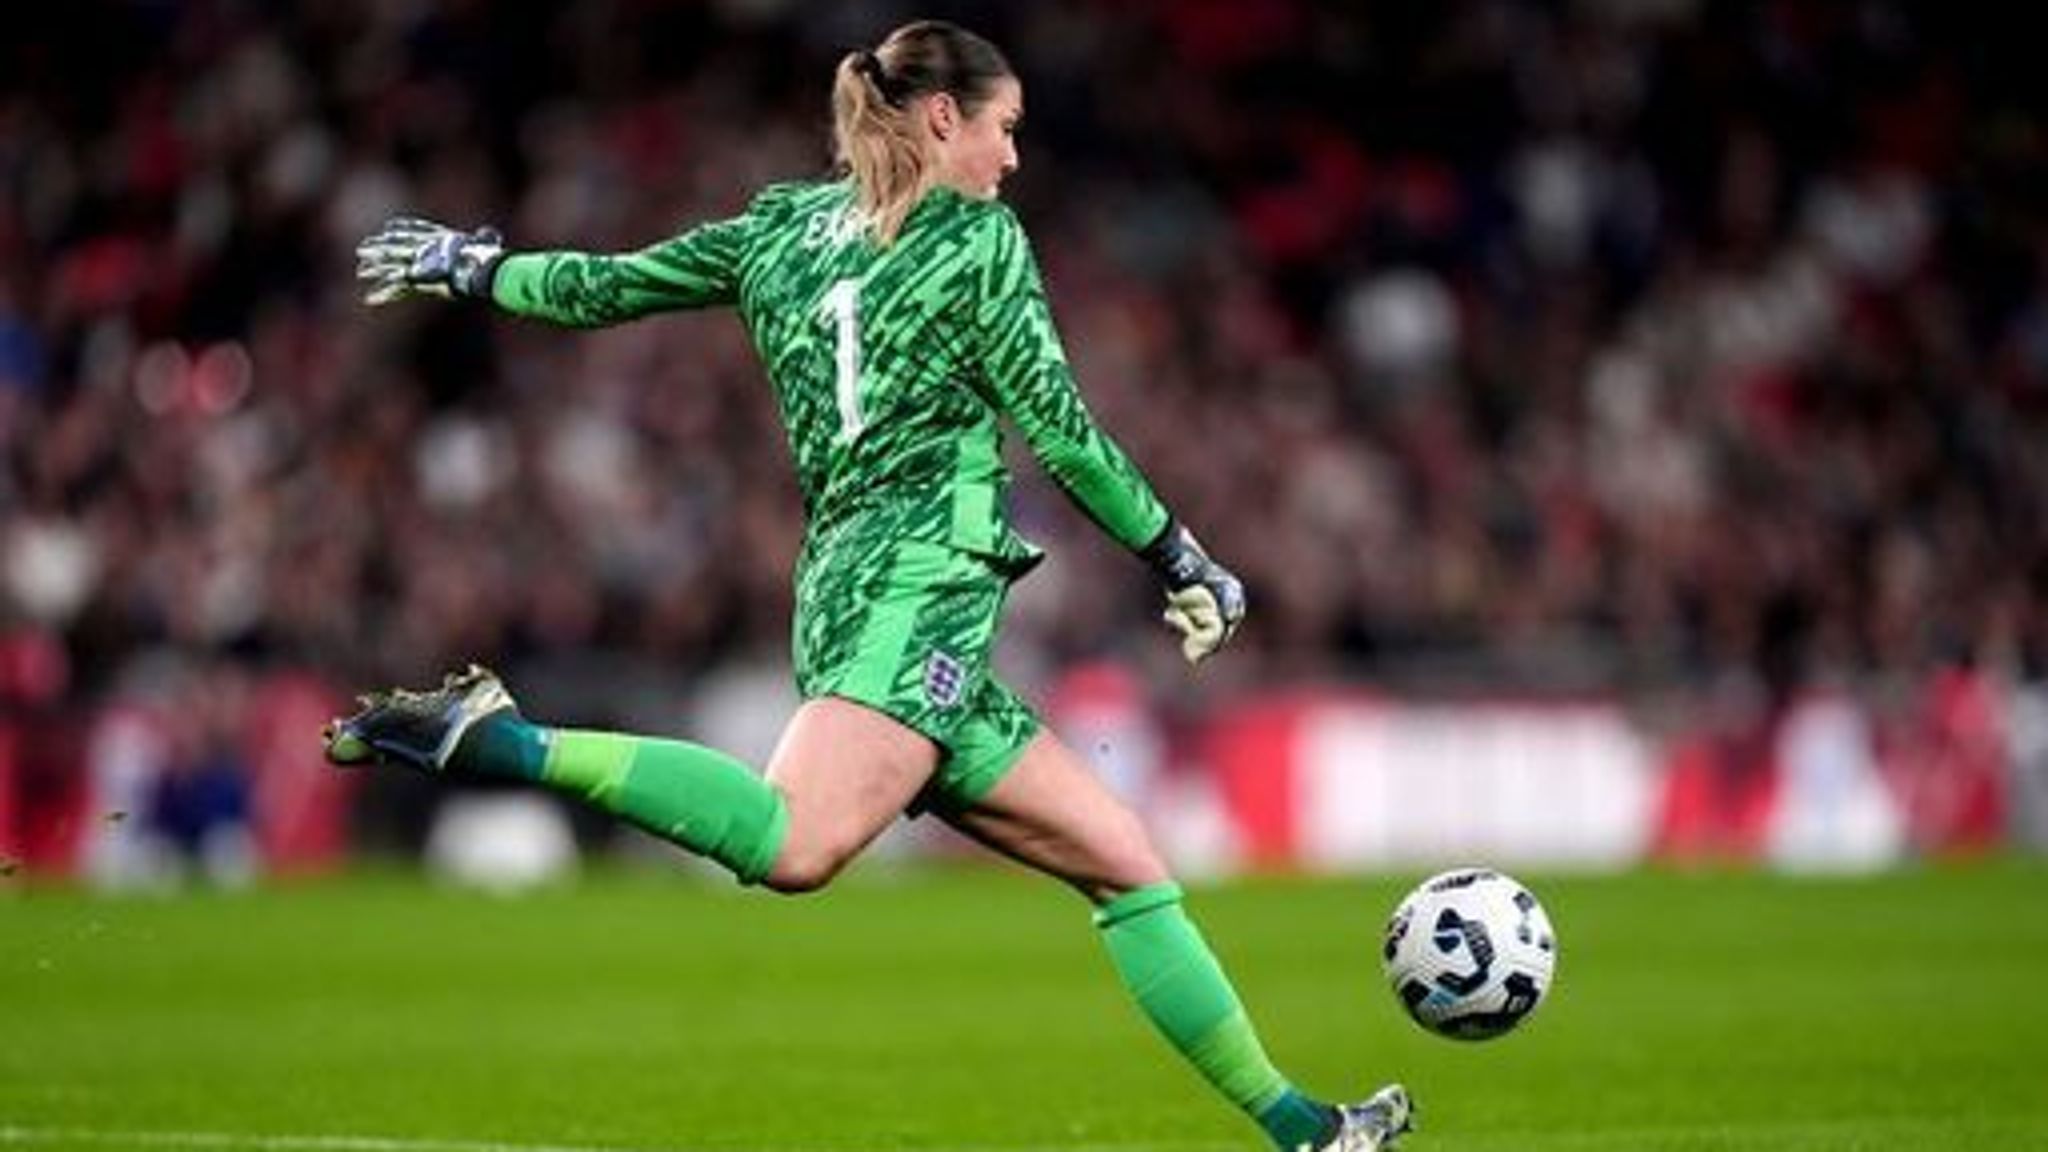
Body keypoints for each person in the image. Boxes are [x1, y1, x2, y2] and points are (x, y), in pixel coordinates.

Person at [331, 20, 1410, 1152]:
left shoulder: (780, 228)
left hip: (849, 584)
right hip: (918, 583)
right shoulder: (975, 240)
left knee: (1127, 867)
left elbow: (604, 287)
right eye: (1004, 128)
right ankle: (504, 742)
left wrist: (477, 267)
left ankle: (1302, 1129)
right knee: (796, 846)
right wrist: (1178, 555)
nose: (1012, 157)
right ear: (944, 117)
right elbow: (1063, 434)